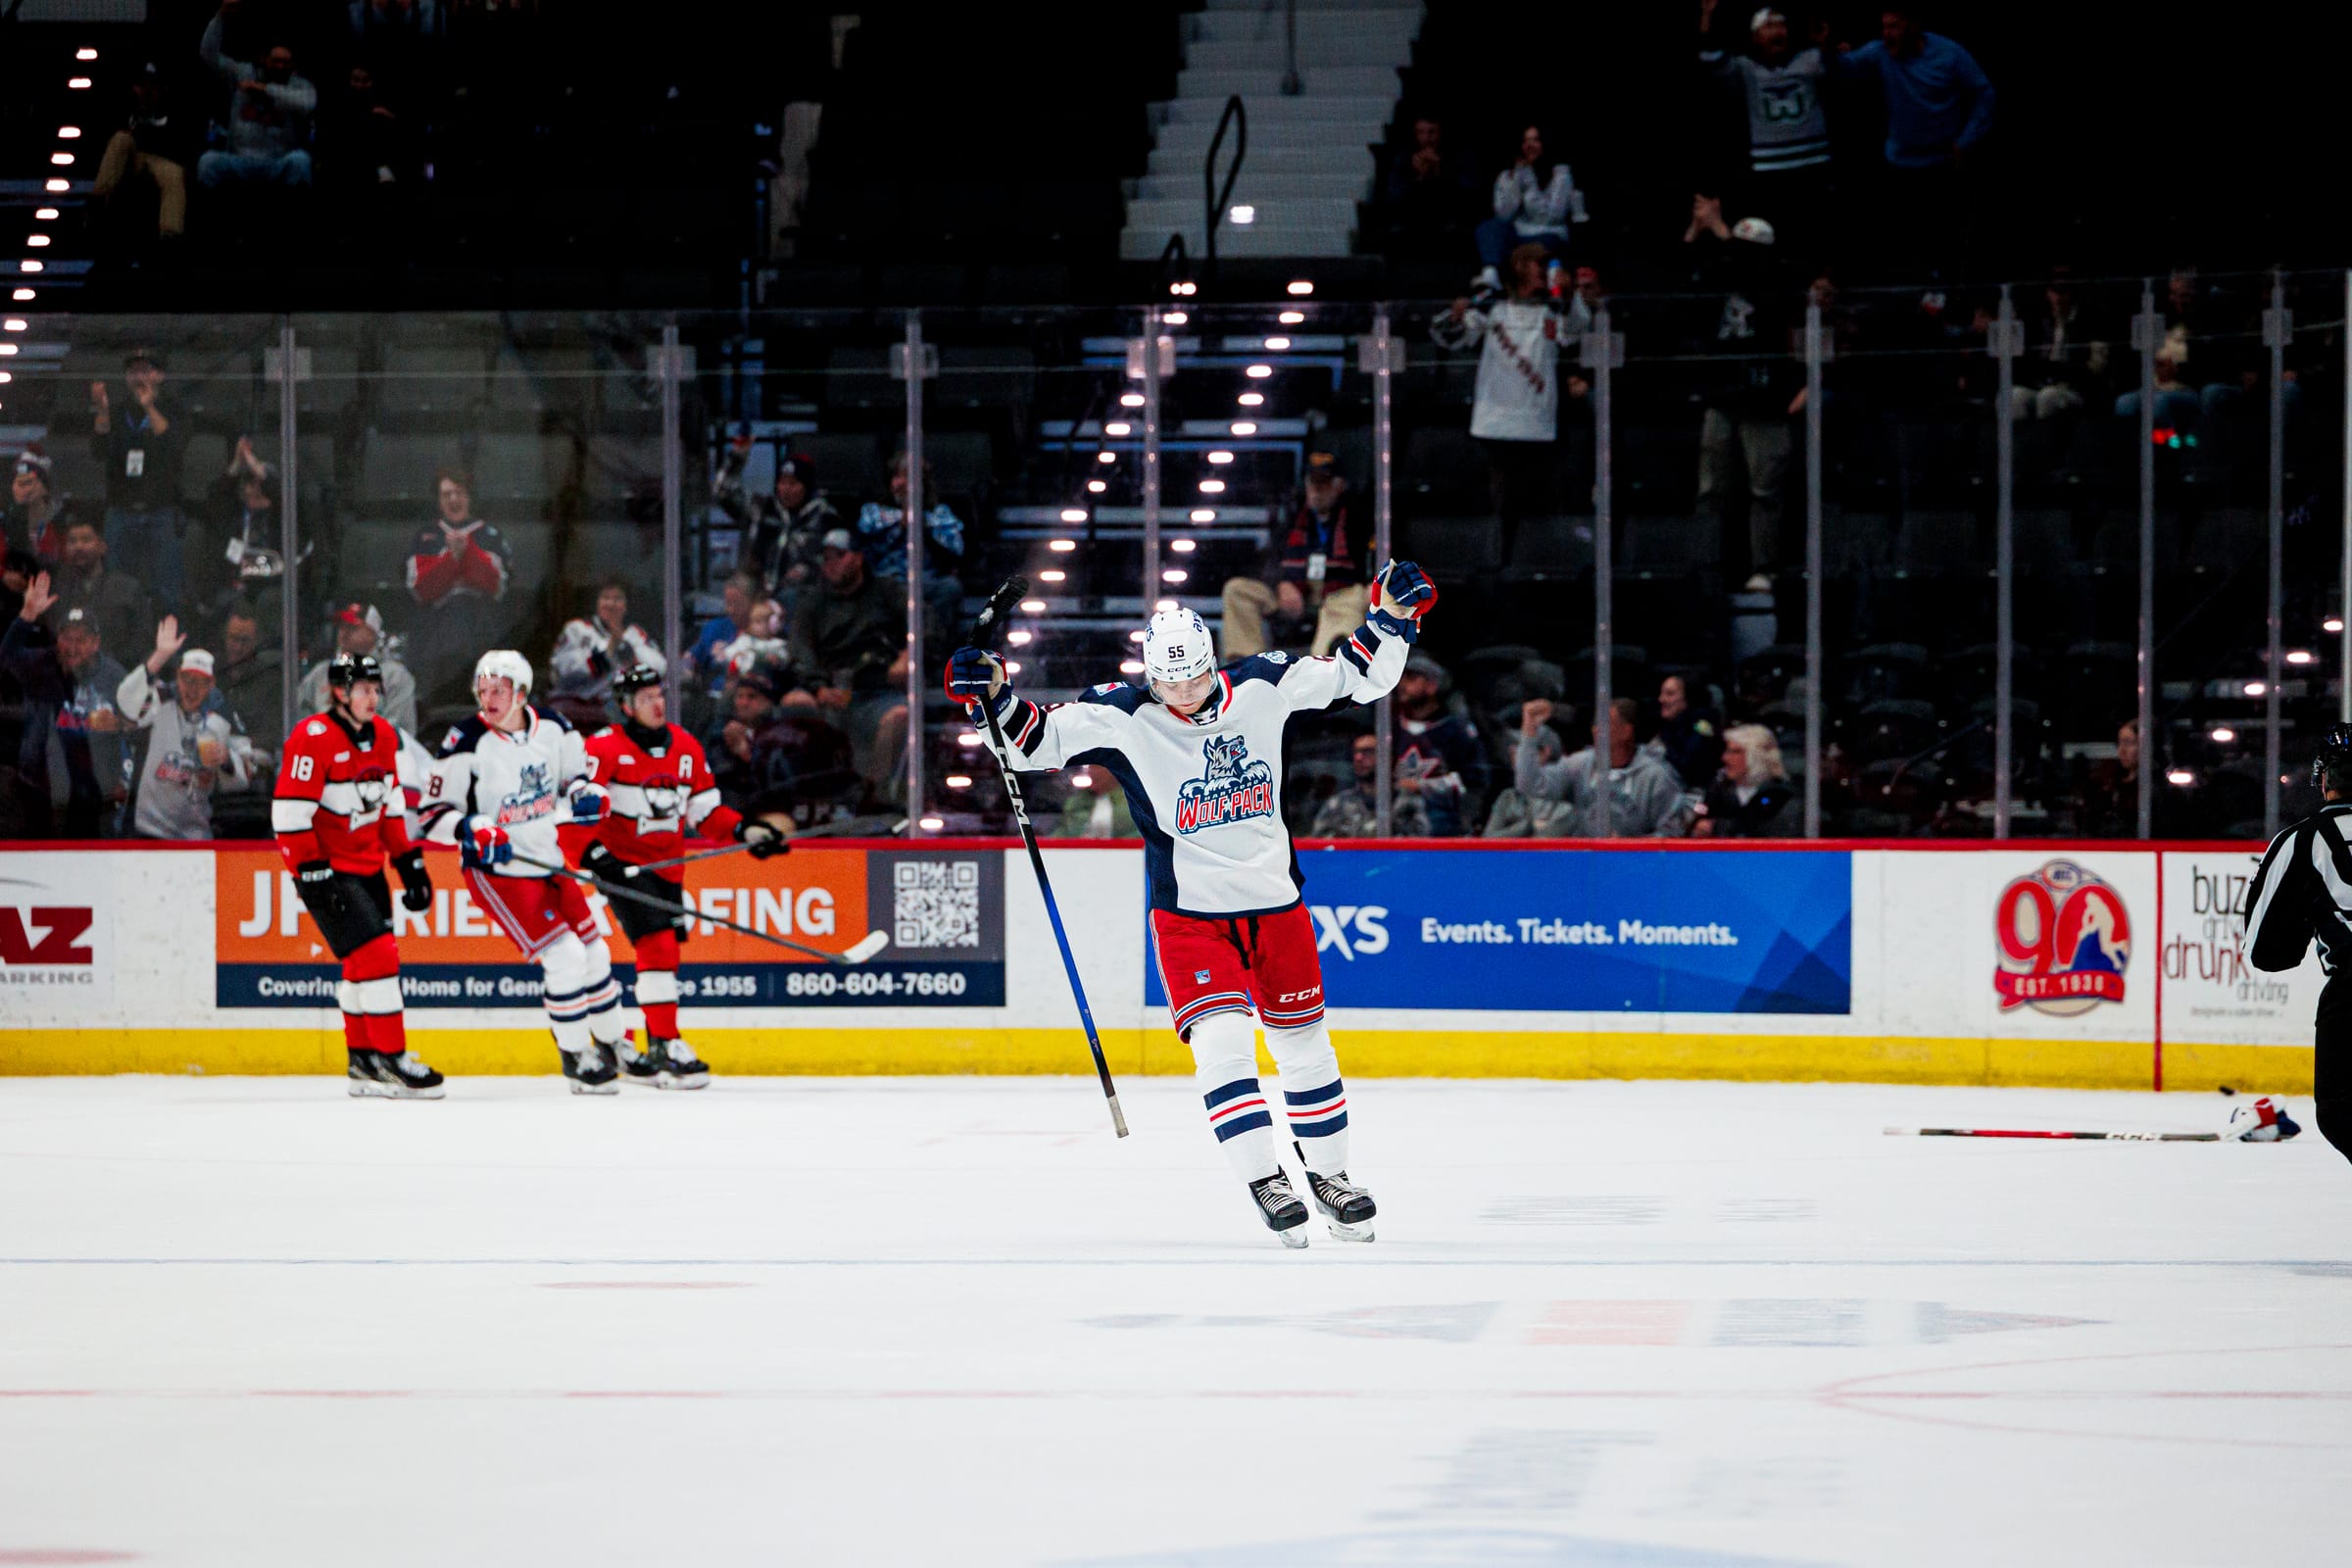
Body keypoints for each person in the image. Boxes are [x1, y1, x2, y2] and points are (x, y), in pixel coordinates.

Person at [944, 560, 1439, 1245]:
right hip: (1191, 920)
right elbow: (1032, 743)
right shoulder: (1124, 714)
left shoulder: (1262, 684)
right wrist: (991, 695)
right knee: (1225, 1044)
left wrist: (1392, 621)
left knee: (1305, 1047)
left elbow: (1361, 676)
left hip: (1276, 906)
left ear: (1215, 663)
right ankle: (1266, 1179)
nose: (1184, 694)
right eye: (1169, 682)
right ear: (1150, 675)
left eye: (1197, 678)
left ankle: (1330, 1175)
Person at [416, 650, 630, 1092]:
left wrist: (586, 796)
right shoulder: (465, 740)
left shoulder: (554, 728)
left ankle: (613, 1042)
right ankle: (575, 1053)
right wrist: (472, 827)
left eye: (500, 689)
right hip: (499, 873)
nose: (489, 697)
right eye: (484, 688)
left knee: (597, 951)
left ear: (522, 693)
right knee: (565, 954)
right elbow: (431, 816)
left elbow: (575, 781)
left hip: (549, 861)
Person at [573, 663, 785, 1089]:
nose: (657, 703)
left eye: (660, 695)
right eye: (646, 698)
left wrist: (747, 830)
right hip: (623, 865)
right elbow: (576, 810)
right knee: (658, 944)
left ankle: (650, 1041)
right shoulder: (603, 749)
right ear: (626, 707)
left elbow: (705, 812)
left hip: (668, 866)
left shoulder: (686, 747)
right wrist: (595, 855)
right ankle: (665, 1042)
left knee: (666, 954)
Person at [273, 651, 441, 1098]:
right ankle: (393, 1058)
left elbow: (391, 808)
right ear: (340, 693)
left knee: (358, 967)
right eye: (364, 689)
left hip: (370, 870)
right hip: (330, 872)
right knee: (379, 958)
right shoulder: (313, 736)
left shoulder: (385, 735)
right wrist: (311, 874)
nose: (373, 697)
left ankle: (363, 1062)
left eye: (375, 689)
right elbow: (289, 814)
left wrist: (410, 864)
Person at [1432, 243, 1591, 563]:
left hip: (1539, 427)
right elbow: (1448, 334)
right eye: (1536, 264)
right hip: (1497, 427)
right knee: (1503, 508)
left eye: (1546, 265)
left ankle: (1543, 569)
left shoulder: (1554, 311)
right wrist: (1458, 314)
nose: (1543, 271)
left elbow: (1577, 328)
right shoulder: (1493, 308)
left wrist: (1571, 294)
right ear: (1518, 269)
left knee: (1544, 507)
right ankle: (1500, 570)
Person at [2242, 723, 2352, 1163]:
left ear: (2323, 777)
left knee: (2342, 1111)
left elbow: (2266, 951)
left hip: (2351, 996)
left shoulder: (2300, 842)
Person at [1684, 202, 1800, 584]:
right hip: (1722, 396)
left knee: (1764, 489)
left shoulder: (1775, 279)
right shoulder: (1723, 272)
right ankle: (1707, 566)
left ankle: (1763, 567)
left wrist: (1721, 229)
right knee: (1711, 489)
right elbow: (1690, 275)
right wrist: (1698, 231)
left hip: (1763, 398)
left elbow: (1760, 283)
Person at [1834, 6, 1993, 273]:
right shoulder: (1880, 52)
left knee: (1950, 240)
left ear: (1913, 27)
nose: (1887, 34)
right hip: (1901, 163)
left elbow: (1984, 94)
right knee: (1903, 244)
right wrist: (1831, 51)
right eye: (1884, 27)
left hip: (1944, 161)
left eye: (1894, 27)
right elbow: (1845, 68)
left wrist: (1967, 140)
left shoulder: (1949, 54)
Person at [1697, 3, 1834, 260]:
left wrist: (1827, 45)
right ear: (1755, 36)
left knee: (1820, 234)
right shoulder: (1746, 67)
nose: (1777, 31)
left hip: (1814, 161)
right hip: (1770, 166)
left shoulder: (1810, 59)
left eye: (1781, 25)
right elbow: (1709, 59)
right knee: (1777, 235)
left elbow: (1839, 71)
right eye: (1769, 26)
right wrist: (1708, 17)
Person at [2, 588, 130, 837]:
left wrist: (120, 725)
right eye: (66, 638)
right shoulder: (40, 665)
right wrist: (26, 616)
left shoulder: (116, 679)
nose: (72, 647)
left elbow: (137, 729)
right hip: (38, 795)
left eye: (80, 639)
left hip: (94, 802)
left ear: (96, 643)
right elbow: (7, 657)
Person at [788, 529, 909, 794]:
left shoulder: (887, 591)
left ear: (858, 557)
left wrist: (908, 654)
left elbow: (925, 625)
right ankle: (807, 798)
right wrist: (817, 686)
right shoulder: (813, 602)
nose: (831, 563)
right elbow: (799, 649)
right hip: (830, 690)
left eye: (839, 556)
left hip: (879, 689)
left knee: (900, 716)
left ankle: (874, 794)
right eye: (826, 557)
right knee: (793, 705)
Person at [1220, 453, 1372, 660]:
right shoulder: (1293, 518)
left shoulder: (1359, 517)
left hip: (1341, 590)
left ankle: (1328, 665)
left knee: (1348, 601)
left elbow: (1379, 556)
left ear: (1340, 486)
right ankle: (1246, 667)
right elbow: (1266, 560)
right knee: (1238, 590)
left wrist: (1375, 584)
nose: (1317, 490)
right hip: (1296, 589)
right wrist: (1280, 585)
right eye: (1312, 482)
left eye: (1324, 483)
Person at [115, 614, 251, 841]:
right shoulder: (159, 700)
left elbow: (246, 772)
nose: (192, 689)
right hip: (146, 835)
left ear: (212, 684)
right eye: (187, 679)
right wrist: (158, 658)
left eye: (200, 682)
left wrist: (227, 760)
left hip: (196, 839)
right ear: (177, 677)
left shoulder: (223, 716)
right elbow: (126, 704)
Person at [406, 468, 514, 703]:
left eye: (459, 493)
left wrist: (467, 553)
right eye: (447, 494)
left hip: (483, 629)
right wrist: (452, 559)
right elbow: (420, 589)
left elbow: (497, 585)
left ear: (469, 497)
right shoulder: (425, 536)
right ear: (438, 500)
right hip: (435, 636)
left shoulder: (490, 535)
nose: (453, 499)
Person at [1516, 696, 1694, 837]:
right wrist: (1529, 734)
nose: (1595, 730)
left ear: (1626, 731)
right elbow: (1530, 786)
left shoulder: (1656, 776)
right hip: (1587, 866)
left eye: (1604, 724)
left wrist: (1628, 847)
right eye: (1595, 724)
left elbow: (1672, 835)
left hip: (1635, 870)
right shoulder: (1580, 764)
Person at [197, 13, 317, 195]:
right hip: (239, 159)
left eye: (286, 62)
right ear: (263, 59)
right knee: (208, 161)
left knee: (301, 161)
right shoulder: (242, 73)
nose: (281, 67)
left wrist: (265, 89)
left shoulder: (298, 84)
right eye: (276, 61)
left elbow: (309, 103)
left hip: (278, 162)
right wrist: (220, 17)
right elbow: (208, 55)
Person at [853, 452, 965, 643]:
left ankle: (931, 646)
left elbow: (956, 554)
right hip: (886, 582)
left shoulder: (940, 514)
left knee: (950, 588)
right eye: (898, 476)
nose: (904, 483)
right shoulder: (874, 513)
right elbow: (864, 550)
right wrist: (899, 530)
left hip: (926, 583)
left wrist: (923, 530)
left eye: (911, 477)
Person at [91, 62, 191, 244]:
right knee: (121, 139)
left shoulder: (174, 109)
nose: (147, 90)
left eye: (152, 85)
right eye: (142, 85)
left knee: (173, 174)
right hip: (132, 156)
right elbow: (113, 133)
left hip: (161, 158)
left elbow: (178, 141)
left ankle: (171, 234)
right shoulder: (124, 106)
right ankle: (99, 202)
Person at [1474, 123, 1585, 282]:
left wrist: (1530, 181)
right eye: (1526, 141)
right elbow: (1504, 215)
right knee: (1488, 228)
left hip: (1548, 235)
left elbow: (1553, 216)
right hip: (1519, 234)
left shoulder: (1562, 175)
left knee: (1547, 242)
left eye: (1535, 140)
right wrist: (1518, 178)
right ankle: (1490, 277)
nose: (1529, 146)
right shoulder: (1510, 175)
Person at [1392, 653, 1486, 836]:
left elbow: (1474, 782)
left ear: (1432, 686)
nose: (1402, 684)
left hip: (1442, 828)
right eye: (1401, 678)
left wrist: (1423, 787)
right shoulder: (1391, 726)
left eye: (1411, 678)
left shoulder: (1456, 730)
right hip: (1395, 824)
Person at [296, 603, 416, 732]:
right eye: (342, 626)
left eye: (353, 627)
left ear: (372, 632)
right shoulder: (321, 673)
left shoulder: (394, 675)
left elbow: (399, 732)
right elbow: (299, 719)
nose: (344, 631)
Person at [47, 518, 151, 662]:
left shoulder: (128, 588)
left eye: (86, 540)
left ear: (102, 546)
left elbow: (142, 640)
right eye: (72, 541)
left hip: (116, 673)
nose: (78, 546)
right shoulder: (54, 591)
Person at [550, 578, 666, 702]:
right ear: (597, 604)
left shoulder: (635, 634)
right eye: (605, 598)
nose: (611, 604)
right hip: (580, 710)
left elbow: (661, 668)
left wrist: (629, 654)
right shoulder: (577, 629)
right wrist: (605, 656)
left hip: (621, 711)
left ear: (625, 606)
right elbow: (561, 672)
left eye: (618, 599)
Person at [1383, 113, 1476, 260]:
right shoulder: (1403, 159)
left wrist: (1439, 173)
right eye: (1421, 133)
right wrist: (1420, 178)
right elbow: (1394, 196)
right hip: (1412, 216)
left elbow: (1468, 195)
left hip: (1448, 216)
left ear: (1440, 133)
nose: (1426, 139)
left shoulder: (1459, 157)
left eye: (1431, 132)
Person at [1309, 731, 1431, 838]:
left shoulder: (1407, 803)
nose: (1358, 757)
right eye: (1355, 752)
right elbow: (1320, 847)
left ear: (1387, 757)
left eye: (1368, 752)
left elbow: (1418, 848)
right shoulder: (1337, 804)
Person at [1691, 723, 1798, 837]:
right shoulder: (1717, 789)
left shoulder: (1783, 796)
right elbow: (1699, 815)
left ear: (1757, 756)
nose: (1725, 758)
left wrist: (1717, 827)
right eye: (1727, 751)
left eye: (1735, 752)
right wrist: (1698, 826)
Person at [1482, 723, 1577, 837]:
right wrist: (1528, 825)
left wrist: (1511, 832)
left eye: (1522, 749)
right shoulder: (1508, 797)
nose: (1513, 753)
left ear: (1545, 753)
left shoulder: (1564, 809)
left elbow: (1538, 849)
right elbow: (1488, 842)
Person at [685, 571, 759, 693]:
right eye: (729, 603)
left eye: (738, 604)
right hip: (716, 698)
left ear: (752, 602)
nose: (731, 610)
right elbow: (691, 658)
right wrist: (685, 670)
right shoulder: (715, 628)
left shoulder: (765, 630)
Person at [1651, 673, 1723, 788]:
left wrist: (1665, 748)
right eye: (1661, 693)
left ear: (1689, 697)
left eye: (1670, 694)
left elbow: (1690, 765)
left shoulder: (1702, 724)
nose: (1661, 699)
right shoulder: (1669, 727)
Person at [5, 448, 75, 563]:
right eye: (18, 482)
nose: (23, 488)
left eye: (29, 482)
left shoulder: (60, 522)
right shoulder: (7, 523)